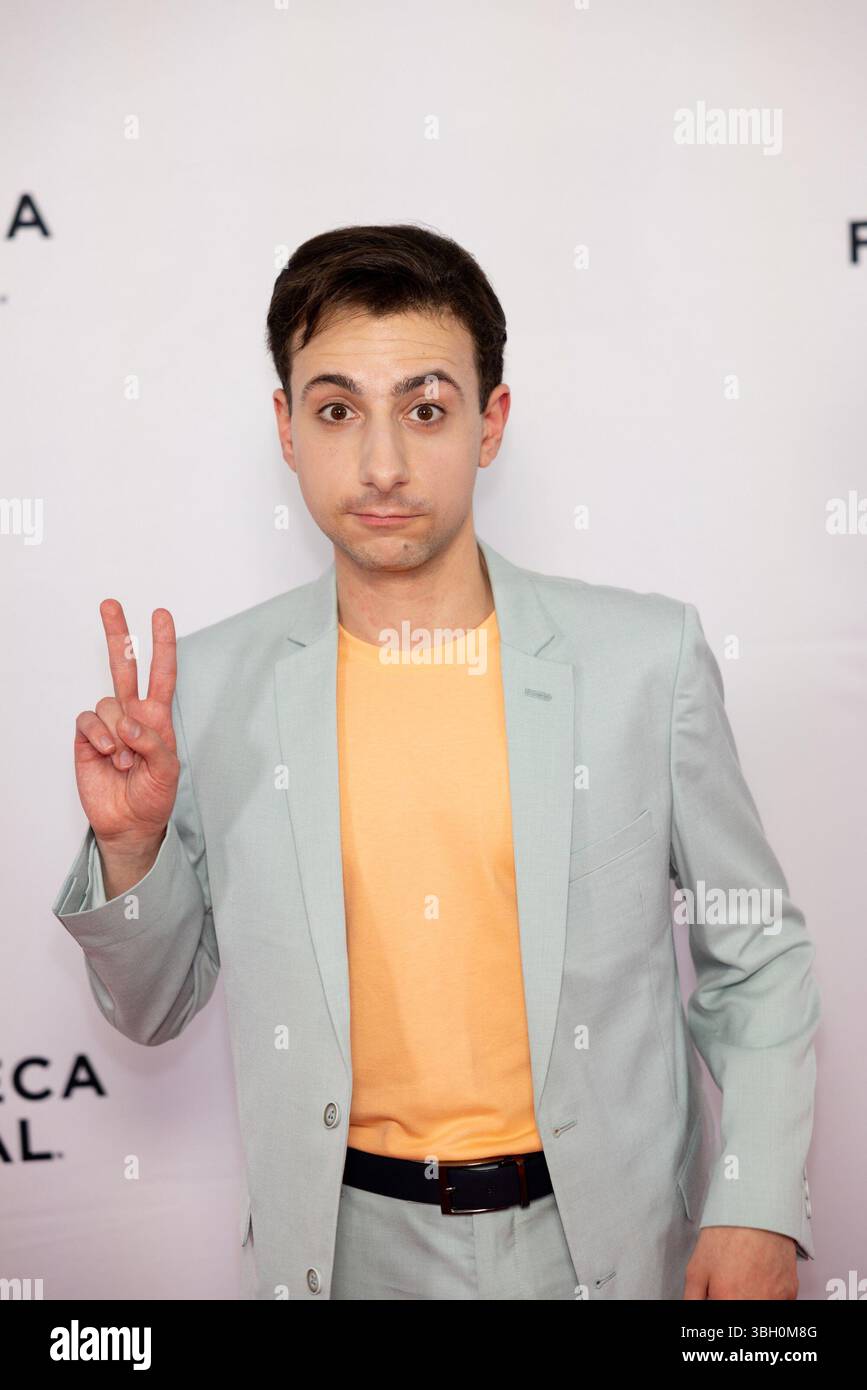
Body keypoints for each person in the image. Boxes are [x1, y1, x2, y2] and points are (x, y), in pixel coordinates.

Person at [53, 223, 820, 1300]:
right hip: (340, 1250)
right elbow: (152, 1005)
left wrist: (755, 1199)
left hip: (606, 1245)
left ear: (489, 421)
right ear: (284, 427)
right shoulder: (213, 689)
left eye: (425, 408)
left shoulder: (645, 661)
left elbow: (759, 957)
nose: (381, 463)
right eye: (335, 411)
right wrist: (131, 849)